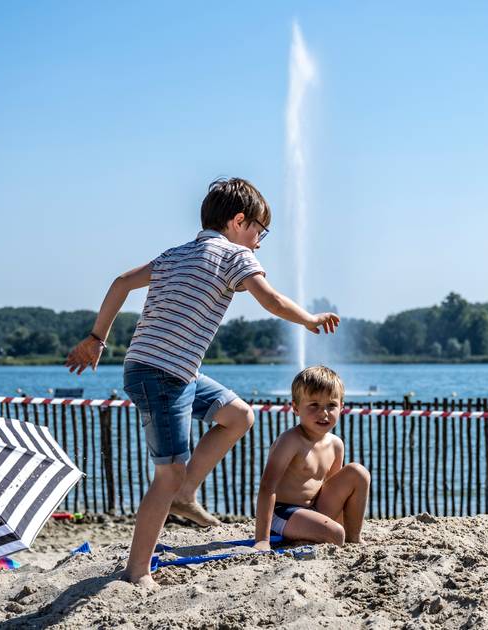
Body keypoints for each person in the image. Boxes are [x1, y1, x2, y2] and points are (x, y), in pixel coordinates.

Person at [64, 178, 340, 588]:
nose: (260, 243)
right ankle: (137, 570)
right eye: (259, 232)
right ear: (238, 220)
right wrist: (310, 319)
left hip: (166, 369)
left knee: (239, 416)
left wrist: (97, 338)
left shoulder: (177, 253)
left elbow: (121, 282)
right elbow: (272, 300)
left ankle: (186, 492)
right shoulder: (234, 256)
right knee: (167, 474)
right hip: (163, 374)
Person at [253, 365, 370, 550]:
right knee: (335, 534)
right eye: (314, 405)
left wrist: (332, 523)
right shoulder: (290, 440)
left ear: (341, 407)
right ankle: (335, 533)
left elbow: (331, 489)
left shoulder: (336, 444)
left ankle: (353, 538)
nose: (323, 413)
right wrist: (262, 539)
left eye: (331, 405)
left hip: (315, 509)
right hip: (283, 512)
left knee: (358, 472)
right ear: (296, 408)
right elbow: (267, 487)